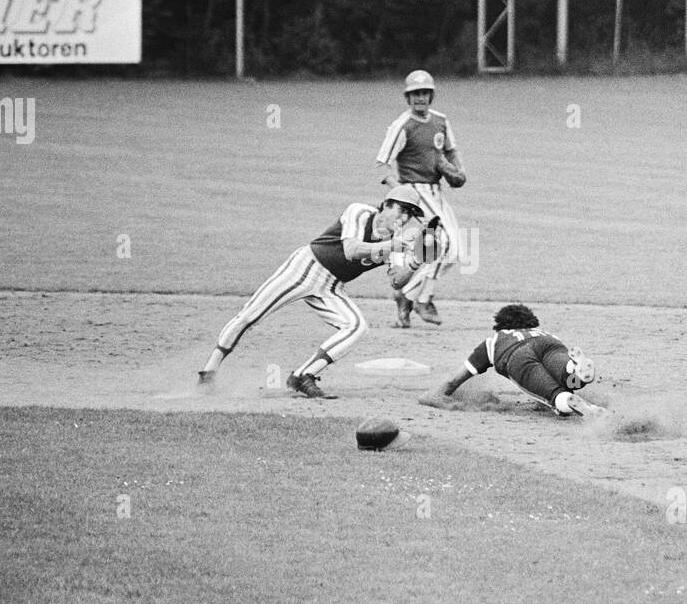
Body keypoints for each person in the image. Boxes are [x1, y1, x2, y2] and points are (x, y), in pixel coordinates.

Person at [197, 186, 426, 399]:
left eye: (409, 214)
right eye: (402, 209)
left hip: (331, 286)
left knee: (357, 327)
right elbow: (351, 250)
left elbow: (396, 281)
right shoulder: (361, 213)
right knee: (250, 315)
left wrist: (417, 260)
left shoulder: (396, 242)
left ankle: (303, 376)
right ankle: (208, 373)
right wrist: (395, 245)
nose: (404, 218)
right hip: (304, 267)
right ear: (386, 205)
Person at [374, 69, 467, 328]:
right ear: (408, 97)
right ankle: (421, 299)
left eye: (424, 93)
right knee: (444, 242)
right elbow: (382, 164)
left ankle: (406, 296)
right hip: (414, 192)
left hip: (436, 193)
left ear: (431, 95)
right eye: (415, 94)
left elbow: (451, 150)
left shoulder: (441, 121)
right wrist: (401, 193)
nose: (420, 98)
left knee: (454, 251)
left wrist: (459, 170)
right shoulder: (402, 125)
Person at [429, 304, 605, 416]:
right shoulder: (543, 332)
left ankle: (568, 402)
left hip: (516, 355)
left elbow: (454, 380)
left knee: (554, 395)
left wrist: (435, 396)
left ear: (501, 325)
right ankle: (573, 370)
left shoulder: (494, 341)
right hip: (549, 344)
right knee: (566, 379)